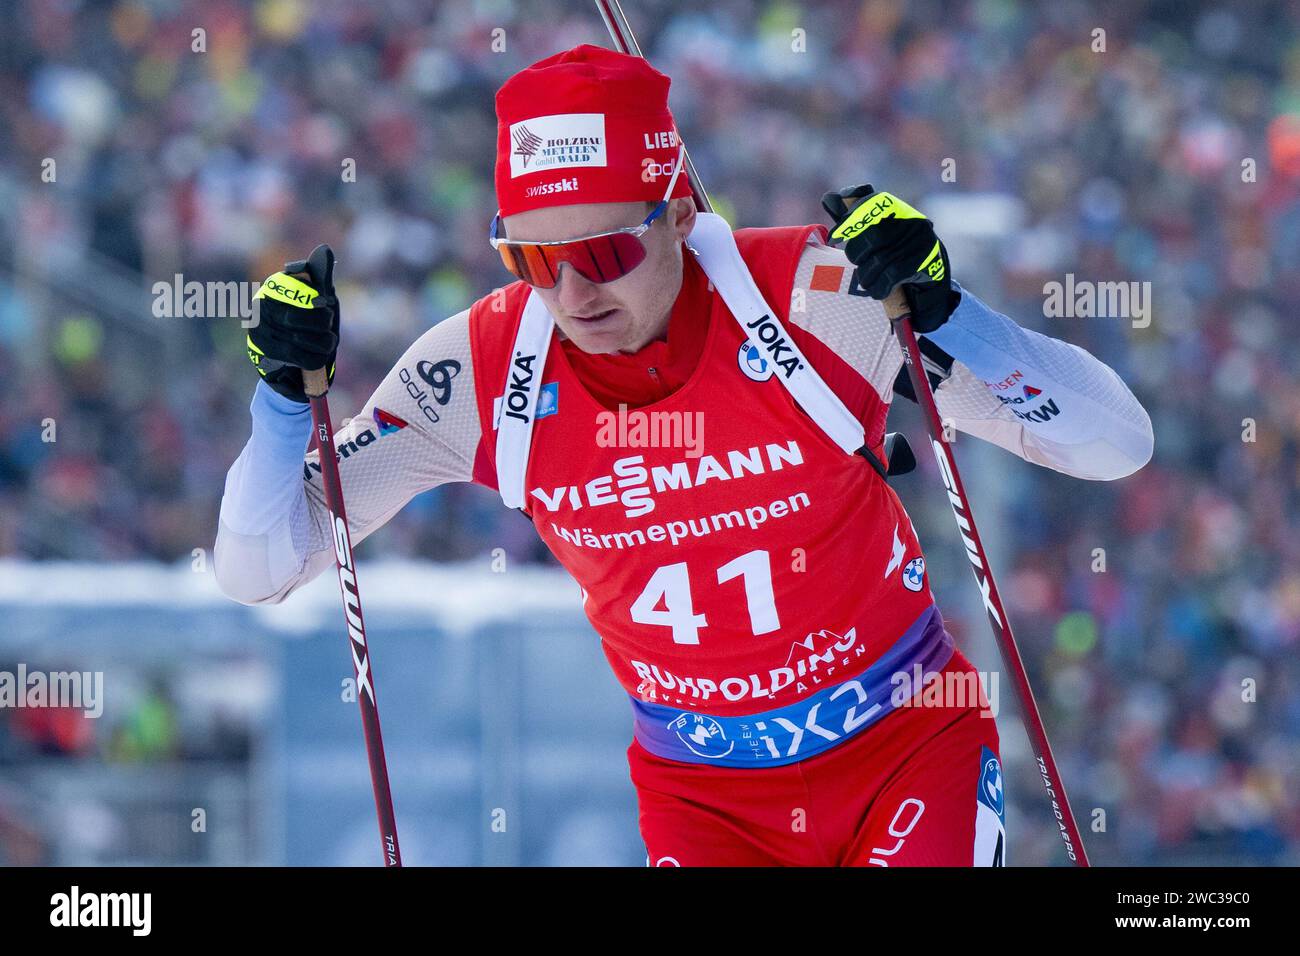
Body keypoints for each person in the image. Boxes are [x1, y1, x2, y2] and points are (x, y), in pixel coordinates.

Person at [215, 44, 1153, 866]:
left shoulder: (816, 300)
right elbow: (262, 566)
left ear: (675, 211)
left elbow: (1113, 444)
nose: (575, 294)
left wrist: (956, 318)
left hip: (904, 747)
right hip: (707, 799)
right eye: (536, 263)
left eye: (607, 251)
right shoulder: (479, 372)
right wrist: (279, 402)